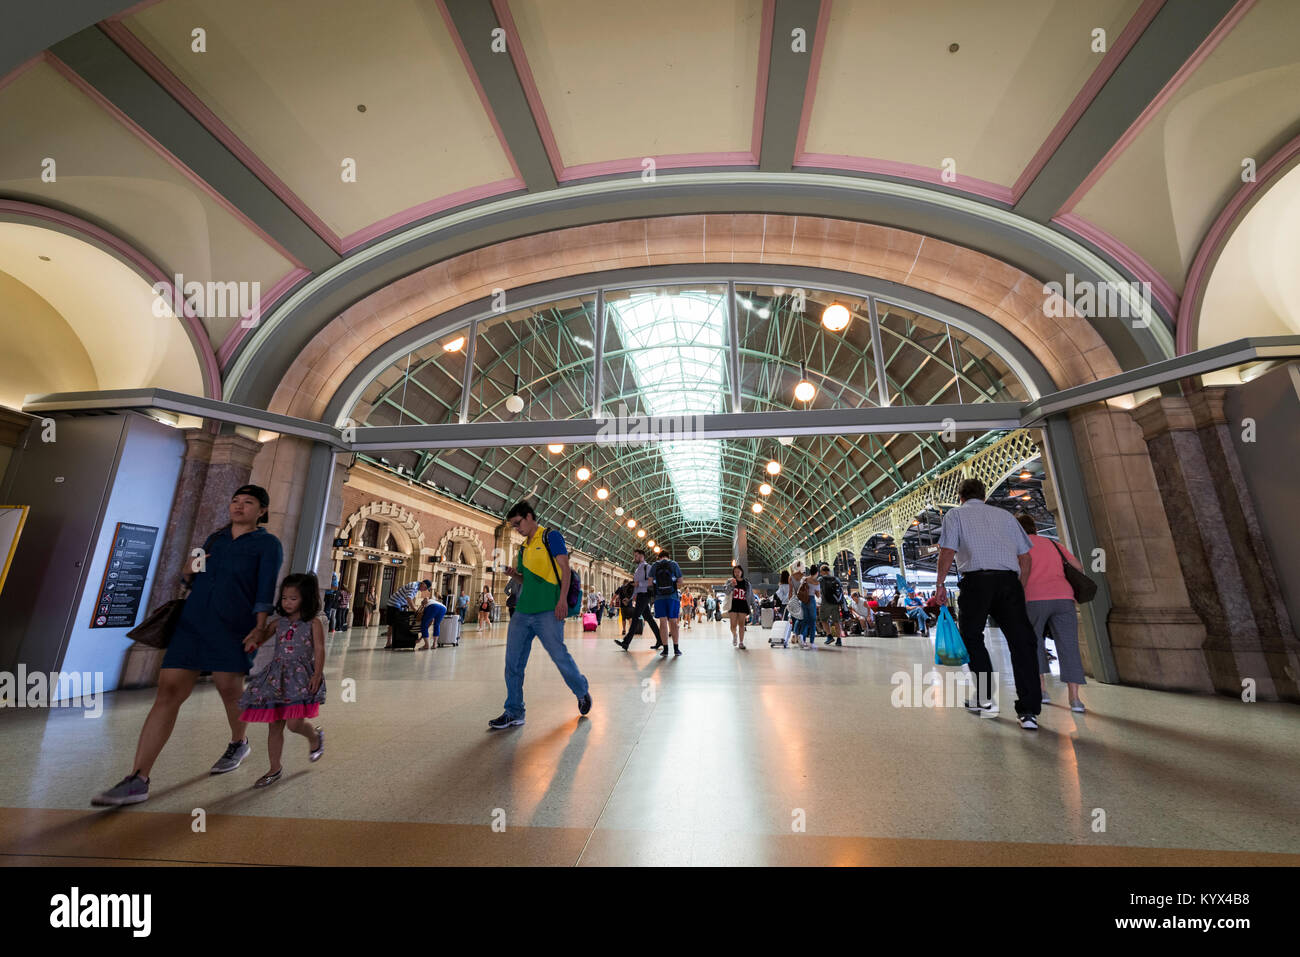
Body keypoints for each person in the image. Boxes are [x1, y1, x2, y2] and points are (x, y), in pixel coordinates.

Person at [92, 485, 284, 806]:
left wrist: (260, 627)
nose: (238, 507)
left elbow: (265, 589)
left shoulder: (268, 545)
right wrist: (186, 572)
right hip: (194, 621)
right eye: (235, 500)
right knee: (168, 689)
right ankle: (138, 778)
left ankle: (239, 742)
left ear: (262, 511)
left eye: (248, 503)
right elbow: (189, 578)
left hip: (234, 625)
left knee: (228, 686)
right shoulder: (213, 540)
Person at [934, 479, 1043, 730]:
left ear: (960, 497)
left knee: (972, 637)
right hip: (1008, 582)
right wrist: (1020, 588)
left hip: (976, 582)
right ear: (984, 495)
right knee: (1022, 642)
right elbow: (1024, 557)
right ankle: (1028, 712)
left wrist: (940, 585)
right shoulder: (1005, 516)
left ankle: (984, 698)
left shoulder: (955, 515)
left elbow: (948, 551)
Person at [489, 500, 591, 729]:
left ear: (528, 516)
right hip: (523, 612)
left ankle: (582, 690)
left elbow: (565, 569)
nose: (516, 529)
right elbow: (525, 580)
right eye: (513, 526)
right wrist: (514, 574)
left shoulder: (550, 537)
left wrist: (562, 600)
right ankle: (514, 711)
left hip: (548, 610)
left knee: (559, 656)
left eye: (518, 523)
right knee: (512, 663)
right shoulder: (523, 548)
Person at [238, 572, 326, 788]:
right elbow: (261, 638)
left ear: (306, 598)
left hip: (300, 678)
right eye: (285, 598)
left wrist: (316, 674)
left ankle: (314, 736)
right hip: (276, 678)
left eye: (293, 598)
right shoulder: (278, 623)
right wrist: (252, 640)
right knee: (274, 724)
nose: (287, 602)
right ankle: (274, 768)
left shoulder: (313, 623)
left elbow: (319, 649)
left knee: (295, 724)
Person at [1016, 513, 1088, 713]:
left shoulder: (1019, 547)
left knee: (1034, 644)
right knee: (1068, 645)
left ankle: (1042, 691)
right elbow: (1078, 567)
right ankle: (1075, 699)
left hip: (1033, 599)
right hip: (1063, 598)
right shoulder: (1054, 544)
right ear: (1036, 528)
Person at [616, 547, 663, 651]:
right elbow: (636, 588)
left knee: (635, 617)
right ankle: (660, 639)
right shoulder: (637, 569)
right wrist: (630, 598)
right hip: (640, 596)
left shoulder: (648, 567)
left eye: (636, 556)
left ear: (642, 556)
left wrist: (639, 583)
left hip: (645, 595)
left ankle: (626, 642)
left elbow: (651, 582)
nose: (634, 558)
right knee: (649, 619)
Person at [650, 546, 684, 657]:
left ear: (658, 557)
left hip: (659, 598)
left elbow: (650, 582)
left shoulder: (655, 565)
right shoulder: (674, 564)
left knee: (663, 623)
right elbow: (680, 581)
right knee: (673, 622)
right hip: (672, 597)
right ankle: (676, 649)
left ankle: (665, 649)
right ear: (669, 557)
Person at [385, 579, 430, 648]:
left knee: (396, 624)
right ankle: (390, 643)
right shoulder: (414, 586)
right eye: (425, 588)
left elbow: (408, 599)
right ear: (423, 584)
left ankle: (395, 642)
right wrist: (415, 610)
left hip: (398, 605)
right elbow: (409, 598)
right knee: (392, 624)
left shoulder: (416, 586)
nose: (424, 590)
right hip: (394, 605)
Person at [817, 563, 845, 646]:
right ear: (829, 571)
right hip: (836, 603)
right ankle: (839, 639)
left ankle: (829, 636)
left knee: (823, 620)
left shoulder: (821, 579)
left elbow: (817, 591)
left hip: (826, 602)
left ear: (822, 571)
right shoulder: (836, 579)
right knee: (837, 621)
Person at [727, 565, 751, 649]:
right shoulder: (730, 581)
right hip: (733, 605)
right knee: (732, 625)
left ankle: (741, 642)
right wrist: (731, 585)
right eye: (735, 572)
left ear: (741, 572)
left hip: (742, 604)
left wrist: (753, 607)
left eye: (738, 571)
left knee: (741, 624)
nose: (736, 573)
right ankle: (734, 635)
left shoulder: (746, 583)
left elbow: (750, 595)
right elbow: (726, 591)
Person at [794, 578, 817, 649]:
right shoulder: (814, 581)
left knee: (805, 622)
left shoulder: (803, 580)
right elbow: (818, 595)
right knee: (812, 622)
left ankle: (803, 640)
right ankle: (812, 642)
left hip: (803, 601)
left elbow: (798, 592)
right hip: (811, 600)